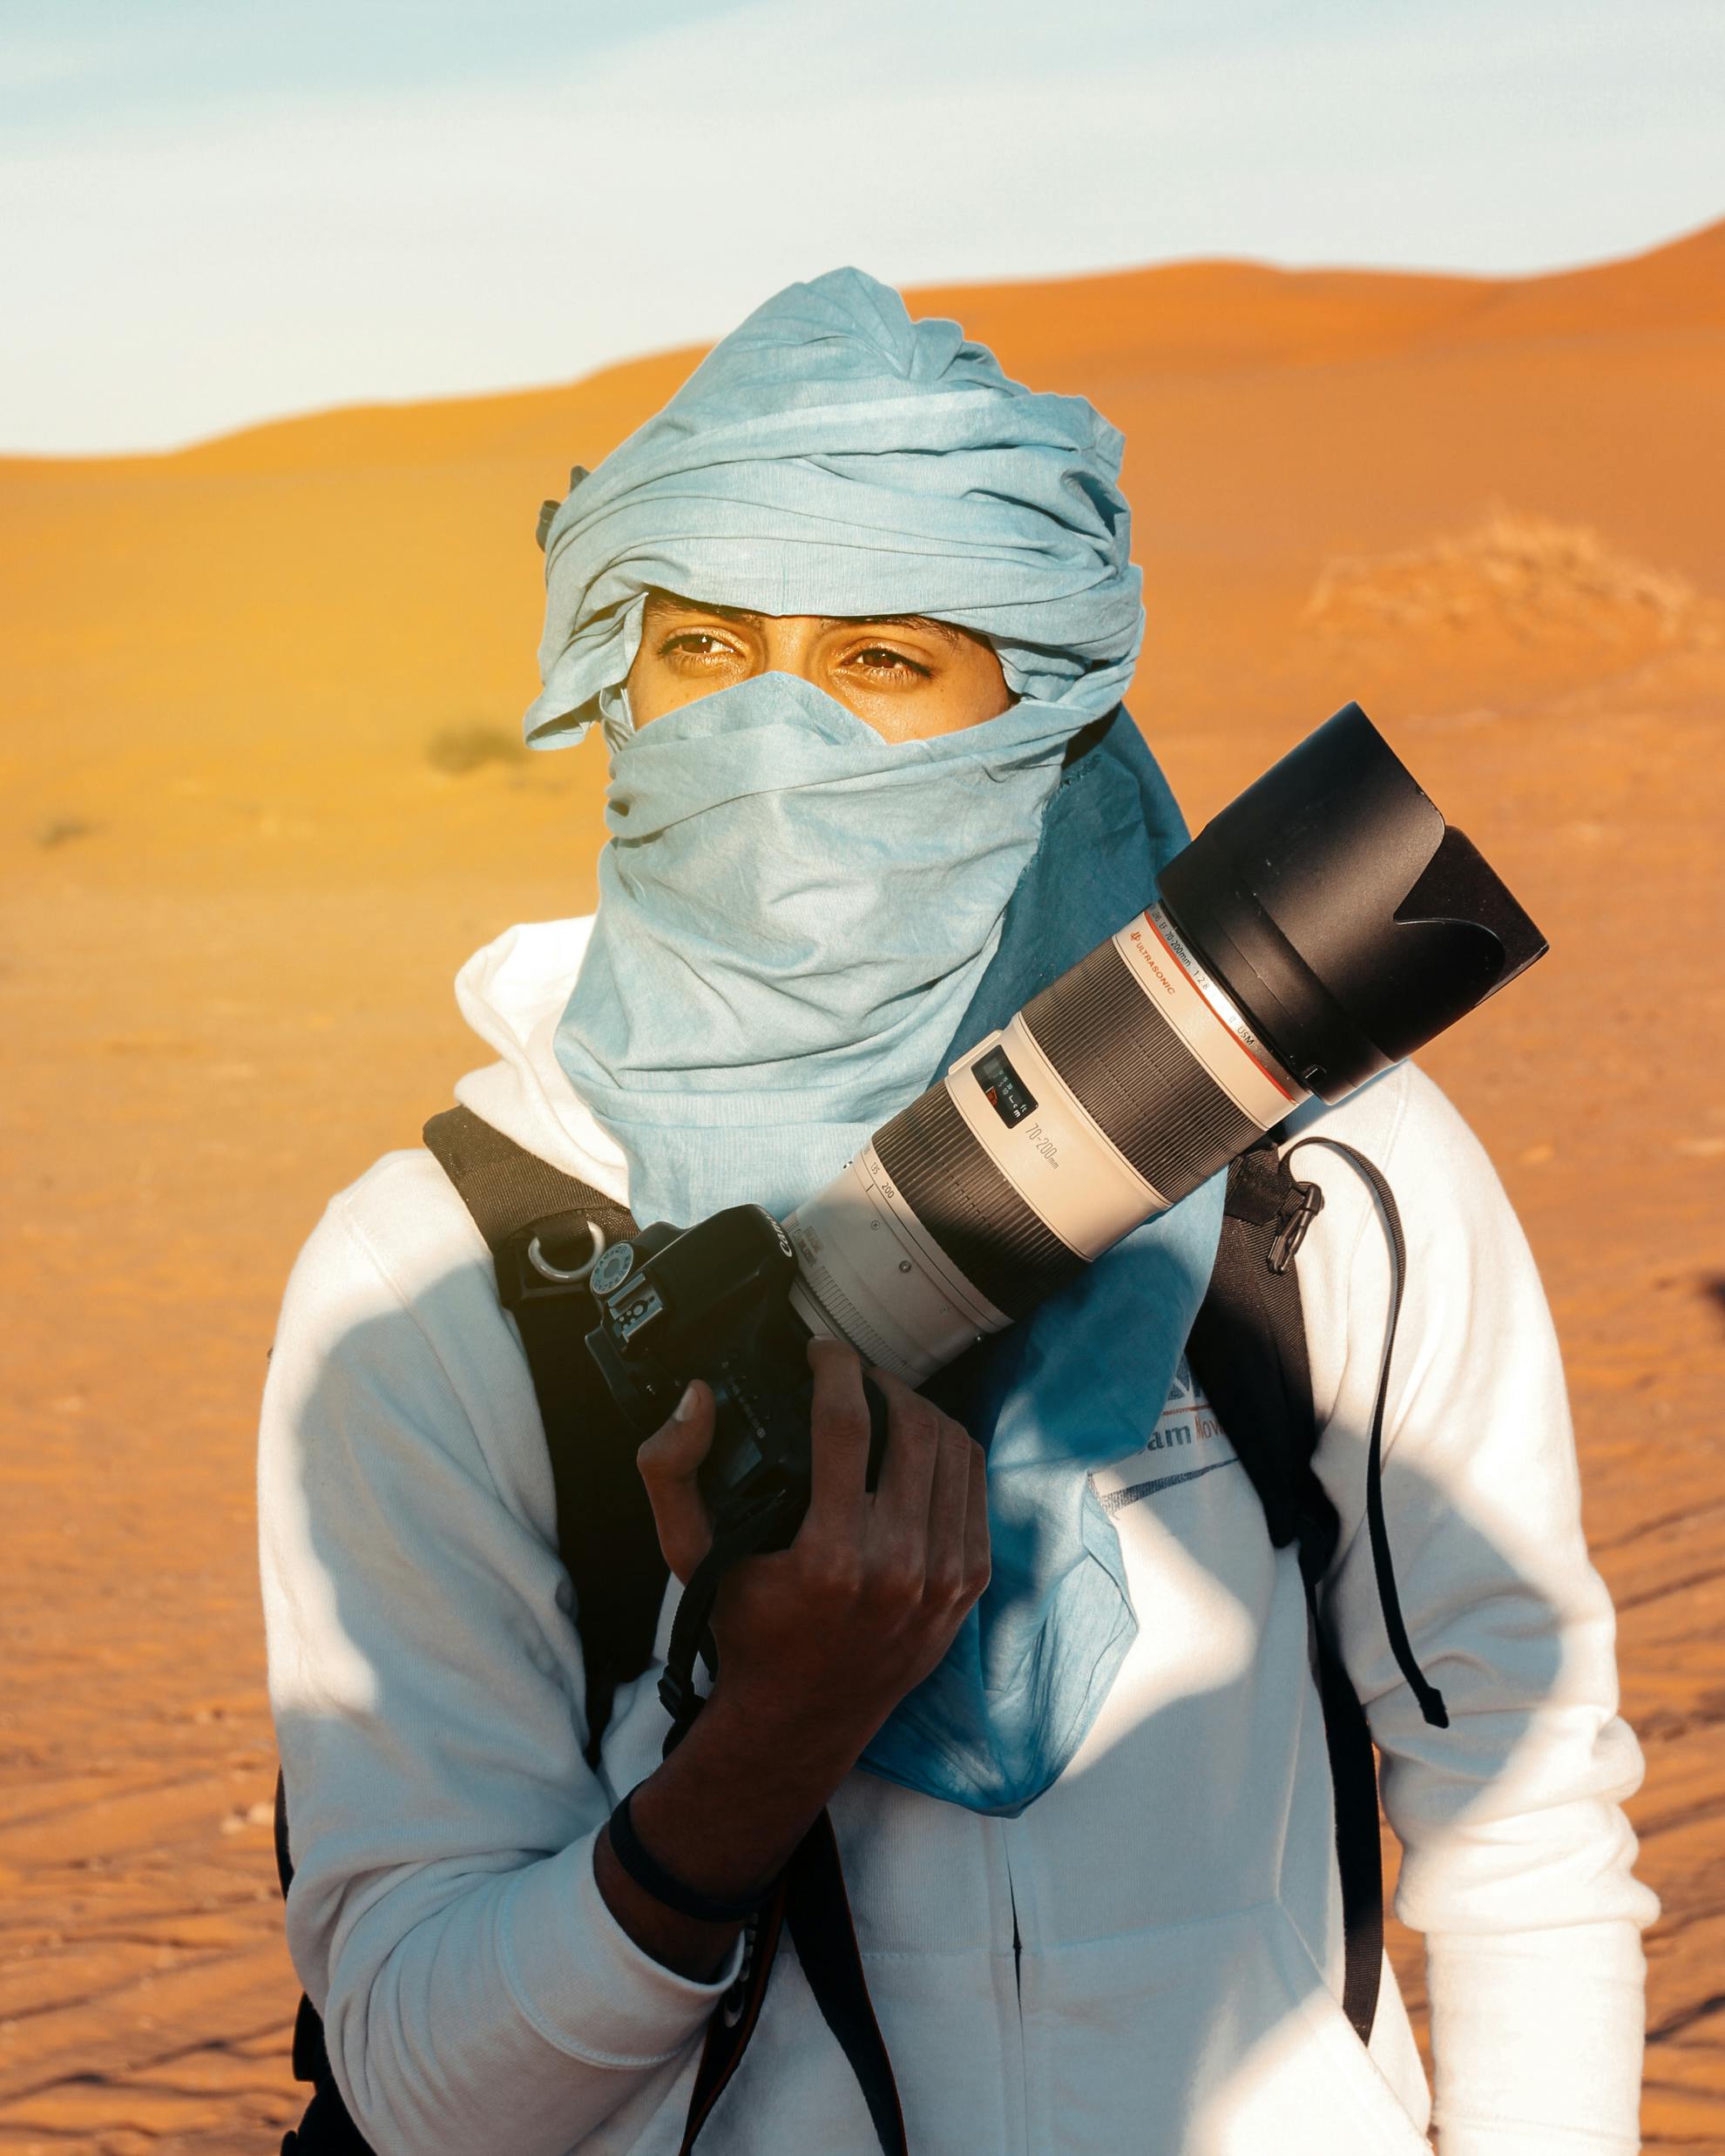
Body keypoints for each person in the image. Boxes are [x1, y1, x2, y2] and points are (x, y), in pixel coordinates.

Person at [258, 269, 1655, 2156]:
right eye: (705, 647)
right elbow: (427, 2089)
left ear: (1038, 706)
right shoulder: (444, 1267)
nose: (772, 735)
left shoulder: (1311, 1176)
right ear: (616, 681)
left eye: (879, 662)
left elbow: (1524, 1812)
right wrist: (765, 1740)